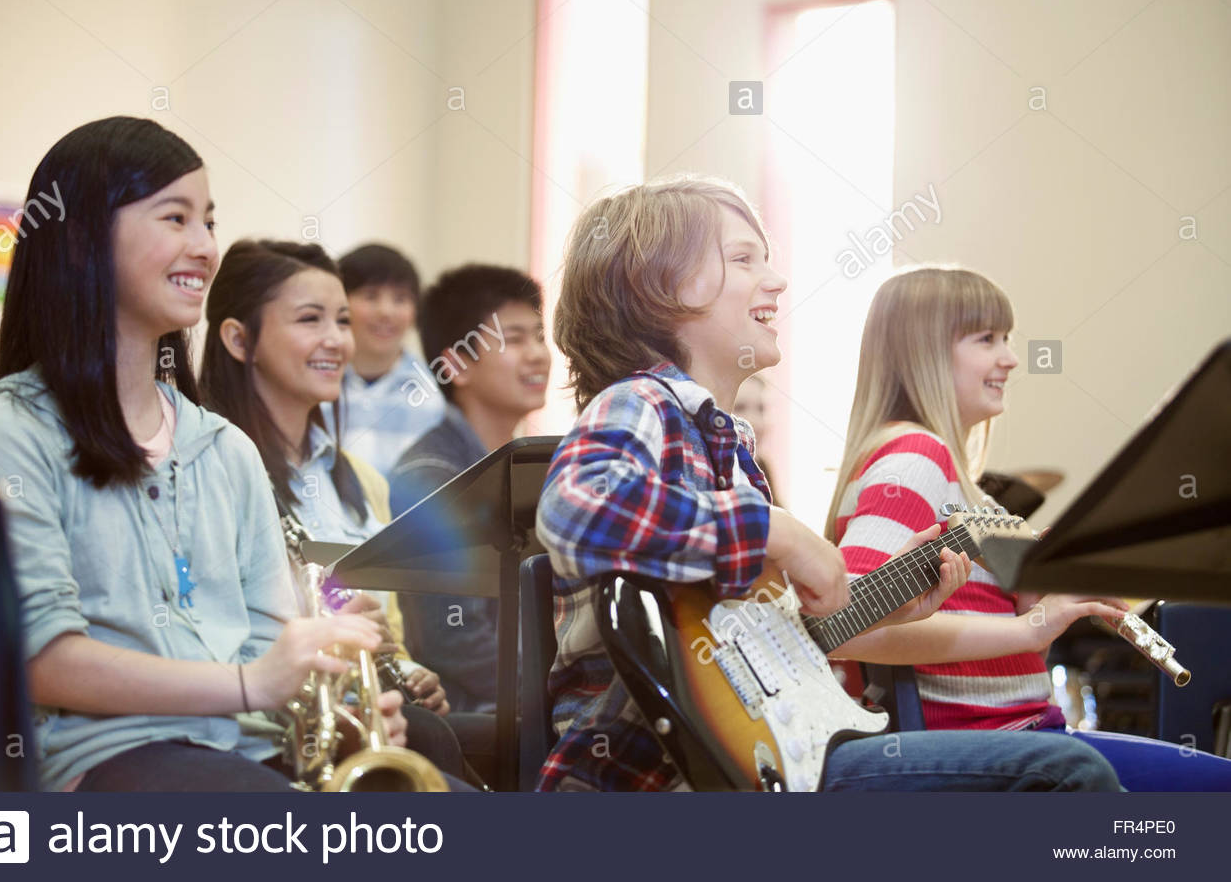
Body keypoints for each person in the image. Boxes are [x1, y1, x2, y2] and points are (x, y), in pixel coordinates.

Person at [534, 176, 1121, 792]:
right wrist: (774, 531)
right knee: (1067, 775)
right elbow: (578, 508)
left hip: (758, 760)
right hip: (663, 778)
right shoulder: (639, 404)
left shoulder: (728, 453)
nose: (777, 280)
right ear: (659, 290)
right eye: (743, 259)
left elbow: (747, 660)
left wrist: (891, 601)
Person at [0, 117, 411, 791]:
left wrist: (331, 716)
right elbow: (42, 661)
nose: (204, 246)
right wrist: (251, 683)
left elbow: (266, 647)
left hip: (241, 752)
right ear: (80, 239)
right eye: (176, 217)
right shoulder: (15, 429)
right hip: (104, 761)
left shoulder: (226, 448)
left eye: (209, 221)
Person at [826, 264, 1231, 790]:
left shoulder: (963, 484)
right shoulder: (914, 458)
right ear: (924, 352)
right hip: (992, 742)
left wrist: (1037, 601)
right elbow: (851, 626)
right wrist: (1030, 626)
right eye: (986, 339)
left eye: (1008, 338)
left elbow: (992, 660)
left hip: (1024, 731)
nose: (1010, 358)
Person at [197, 238, 452, 722]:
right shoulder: (207, 469)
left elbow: (386, 634)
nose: (336, 341)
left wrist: (407, 667)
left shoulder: (362, 482)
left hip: (370, 715)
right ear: (238, 339)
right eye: (310, 319)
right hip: (268, 726)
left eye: (342, 321)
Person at [388, 264, 551, 714]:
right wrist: (557, 691)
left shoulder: (532, 464)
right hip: (471, 714)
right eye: (515, 339)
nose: (538, 353)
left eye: (539, 335)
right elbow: (454, 641)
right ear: (456, 365)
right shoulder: (430, 477)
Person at [333, 243, 445, 476]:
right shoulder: (316, 387)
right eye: (370, 296)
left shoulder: (437, 391)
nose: (386, 311)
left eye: (400, 299)